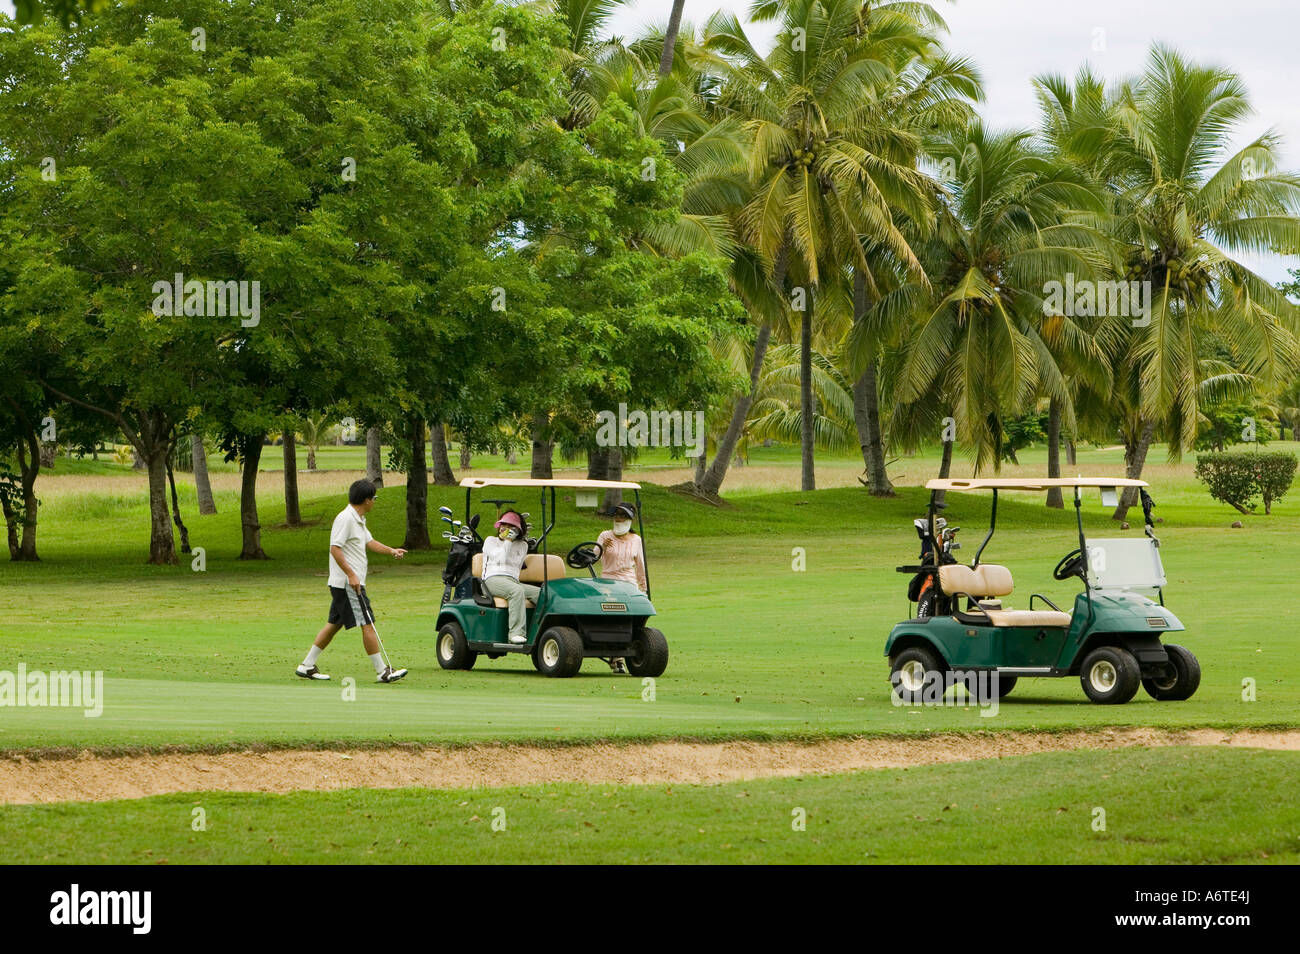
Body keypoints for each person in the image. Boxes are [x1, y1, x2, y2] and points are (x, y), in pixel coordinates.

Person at [296, 479, 408, 683]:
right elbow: (335, 548)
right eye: (374, 498)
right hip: (348, 584)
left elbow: (370, 542)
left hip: (347, 583)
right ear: (366, 500)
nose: (374, 502)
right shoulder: (345, 518)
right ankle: (382, 671)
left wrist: (391, 550)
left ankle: (307, 665)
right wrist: (351, 574)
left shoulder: (358, 519)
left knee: (334, 624)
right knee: (368, 623)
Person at [595, 503, 647, 674]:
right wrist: (602, 547)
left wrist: (643, 589)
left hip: (628, 583)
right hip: (608, 582)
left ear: (630, 519)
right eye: (616, 515)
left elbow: (640, 566)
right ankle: (616, 657)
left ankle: (625, 651)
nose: (618, 518)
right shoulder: (605, 536)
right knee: (611, 615)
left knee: (631, 617)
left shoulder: (636, 540)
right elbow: (592, 557)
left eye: (623, 516)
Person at [480, 510, 537, 644]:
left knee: (543, 594)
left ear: (518, 530)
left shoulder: (522, 545)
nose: (504, 528)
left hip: (511, 581)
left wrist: (511, 541)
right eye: (503, 524)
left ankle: (541, 630)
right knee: (516, 591)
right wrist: (508, 541)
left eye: (510, 526)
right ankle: (516, 633)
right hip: (491, 580)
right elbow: (500, 558)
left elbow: (514, 566)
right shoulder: (490, 541)